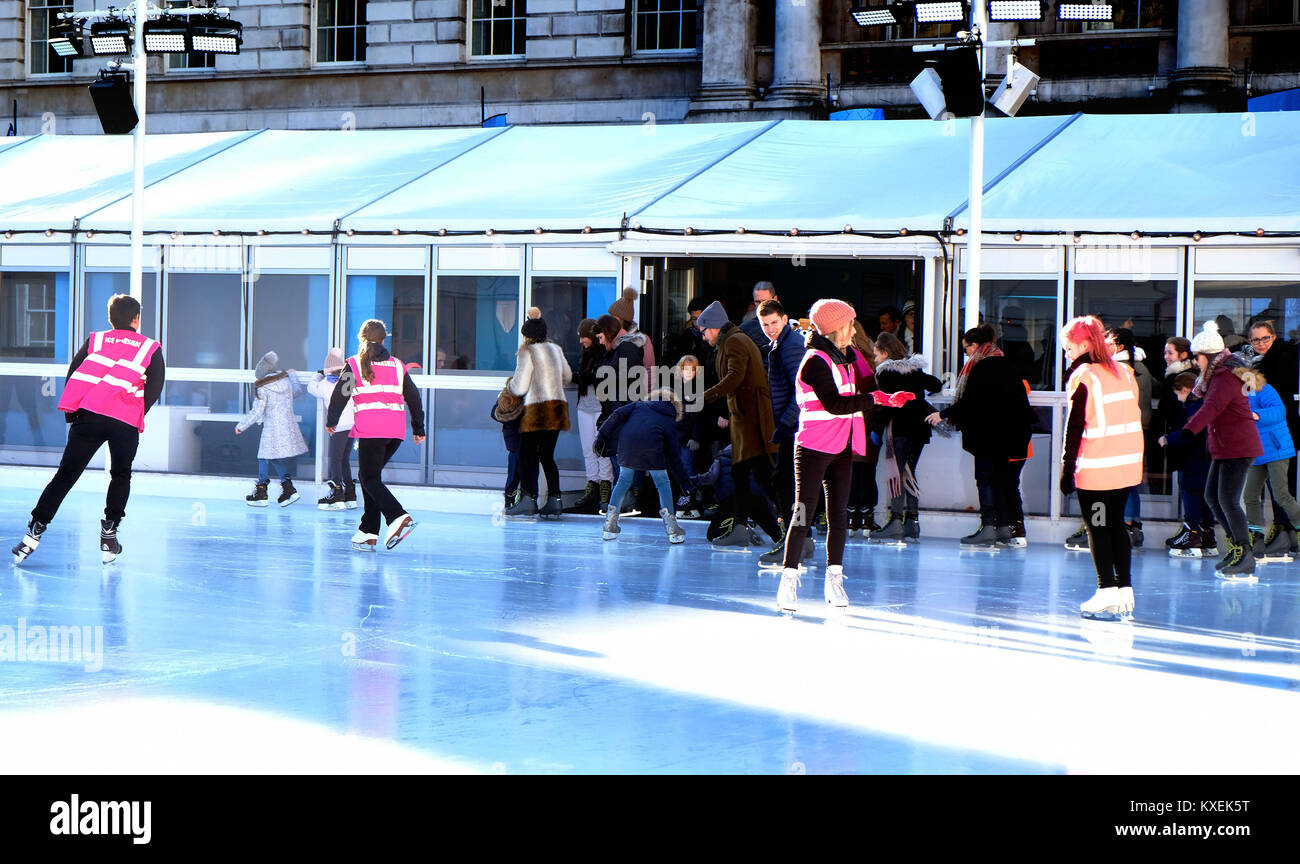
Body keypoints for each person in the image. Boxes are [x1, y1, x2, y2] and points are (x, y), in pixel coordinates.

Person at [11, 293, 165, 565]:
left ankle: (33, 532)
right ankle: (109, 531)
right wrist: (136, 412)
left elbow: (75, 373)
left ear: (110, 318)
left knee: (65, 476)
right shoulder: (150, 348)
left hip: (90, 416)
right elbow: (154, 387)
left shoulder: (97, 340)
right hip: (125, 422)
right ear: (136, 319)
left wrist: (75, 412)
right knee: (120, 475)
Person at [774, 299, 879, 613]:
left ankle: (834, 579)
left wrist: (878, 391)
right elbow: (834, 404)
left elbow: (863, 387)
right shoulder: (815, 360)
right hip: (813, 448)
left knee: (838, 515)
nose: (854, 330)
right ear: (836, 327)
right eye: (850, 324)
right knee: (803, 513)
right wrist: (872, 399)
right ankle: (789, 579)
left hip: (841, 446)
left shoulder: (844, 357)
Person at [1058, 315, 1145, 618]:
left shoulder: (1084, 375)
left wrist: (1067, 468)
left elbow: (1075, 425)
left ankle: (1105, 589)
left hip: (1097, 469)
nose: (1066, 353)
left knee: (1098, 529)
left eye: (1068, 347)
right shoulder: (1124, 371)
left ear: (1083, 344)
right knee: (1116, 526)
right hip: (1125, 466)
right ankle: (1124, 590)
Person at [927, 323, 1035, 548]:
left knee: (985, 480)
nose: (965, 353)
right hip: (1013, 435)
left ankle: (988, 527)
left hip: (989, 436)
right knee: (1003, 482)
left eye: (966, 348)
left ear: (975, 345)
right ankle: (1004, 529)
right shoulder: (1007, 364)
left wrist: (942, 414)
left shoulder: (981, 367)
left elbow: (970, 402)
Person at [326, 319, 424, 552]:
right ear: (383, 339)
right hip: (395, 433)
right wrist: (419, 429)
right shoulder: (398, 365)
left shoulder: (354, 364)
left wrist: (332, 421)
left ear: (362, 338)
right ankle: (368, 532)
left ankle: (398, 516)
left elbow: (341, 395)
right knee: (370, 478)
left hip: (372, 431)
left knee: (368, 479)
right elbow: (413, 397)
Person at [697, 300, 784, 548]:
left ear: (713, 327)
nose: (703, 337)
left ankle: (793, 531)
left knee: (762, 476)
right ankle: (741, 527)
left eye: (704, 332)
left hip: (752, 421)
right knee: (743, 475)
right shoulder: (733, 340)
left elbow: (734, 376)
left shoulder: (734, 341)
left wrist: (707, 396)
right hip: (747, 419)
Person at [1180, 321, 1263, 578]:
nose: (1195, 362)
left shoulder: (1224, 377)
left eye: (1197, 357)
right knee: (1212, 497)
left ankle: (1244, 553)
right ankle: (1236, 547)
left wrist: (1187, 431)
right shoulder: (1216, 376)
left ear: (1209, 356)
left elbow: (1212, 408)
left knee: (1226, 499)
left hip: (1237, 446)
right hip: (1227, 445)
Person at [756, 298, 816, 565]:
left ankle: (795, 540)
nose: (770, 328)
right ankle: (803, 539)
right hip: (793, 425)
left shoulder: (790, 346)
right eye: (765, 324)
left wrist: (786, 424)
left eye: (774, 323)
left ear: (784, 319)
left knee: (786, 485)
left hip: (795, 426)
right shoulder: (780, 344)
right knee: (788, 484)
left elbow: (800, 391)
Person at [868, 332, 942, 544]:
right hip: (920, 428)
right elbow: (935, 384)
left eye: (876, 354)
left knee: (897, 474)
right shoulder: (913, 369)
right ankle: (912, 522)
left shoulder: (886, 373)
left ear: (885, 352)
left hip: (900, 429)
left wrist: (876, 429)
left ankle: (896, 522)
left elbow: (886, 404)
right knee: (909, 472)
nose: (875, 359)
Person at [595, 388, 693, 544]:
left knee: (623, 480)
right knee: (662, 482)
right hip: (653, 448)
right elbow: (674, 456)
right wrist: (685, 483)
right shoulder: (670, 419)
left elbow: (616, 415)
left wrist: (601, 436)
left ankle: (609, 525)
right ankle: (672, 528)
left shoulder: (637, 405)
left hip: (628, 445)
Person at [503, 307, 573, 518]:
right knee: (547, 456)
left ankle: (528, 500)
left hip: (537, 410)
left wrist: (510, 388)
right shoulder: (555, 349)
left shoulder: (527, 352)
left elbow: (520, 386)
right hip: (558, 409)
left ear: (527, 335)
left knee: (527, 455)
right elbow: (567, 376)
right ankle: (555, 500)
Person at [1248, 320, 1300, 552]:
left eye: (1264, 338)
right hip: (1266, 435)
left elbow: (1279, 401)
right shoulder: (1257, 363)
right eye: (1255, 339)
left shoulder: (1281, 359)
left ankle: (1285, 530)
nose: (1260, 343)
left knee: (1281, 489)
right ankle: (1283, 531)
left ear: (1274, 337)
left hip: (1279, 434)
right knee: (1273, 488)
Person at [1238, 367, 1300, 561]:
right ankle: (1256, 536)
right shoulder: (1236, 394)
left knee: (1281, 494)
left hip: (1276, 449)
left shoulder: (1264, 389)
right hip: (1256, 451)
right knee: (1250, 495)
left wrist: (1257, 415)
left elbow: (1279, 411)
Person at [1158, 372, 1219, 558]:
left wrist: (1169, 438)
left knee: (1191, 493)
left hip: (1194, 459)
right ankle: (1207, 536)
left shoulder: (1194, 407)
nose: (1178, 399)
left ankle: (1193, 534)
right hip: (1206, 458)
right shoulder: (1204, 404)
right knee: (1204, 496)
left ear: (1185, 390)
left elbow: (1191, 431)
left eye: (1178, 394)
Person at [237, 351, 308, 507]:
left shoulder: (263, 388)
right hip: (287, 426)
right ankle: (288, 488)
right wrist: (293, 376)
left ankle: (261, 491)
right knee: (273, 457)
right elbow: (297, 391)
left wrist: (241, 426)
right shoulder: (286, 382)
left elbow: (257, 412)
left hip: (272, 428)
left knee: (263, 457)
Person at [1109, 328, 1155, 548]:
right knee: (1132, 480)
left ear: (1118, 346)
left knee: (1120, 480)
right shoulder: (1142, 369)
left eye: (1109, 342)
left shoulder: (1120, 370)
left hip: (1122, 430)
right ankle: (1134, 524)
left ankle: (1125, 524)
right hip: (1139, 429)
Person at [308, 347, 358, 511]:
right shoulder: (349, 381)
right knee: (344, 459)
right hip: (352, 425)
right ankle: (350, 494)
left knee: (335, 459)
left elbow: (311, 387)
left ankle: (337, 493)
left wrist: (319, 373)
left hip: (337, 426)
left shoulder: (324, 385)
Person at [572, 318, 612, 514]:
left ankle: (606, 486)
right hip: (584, 406)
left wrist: (581, 377)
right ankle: (592, 485)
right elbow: (584, 378)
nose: (581, 341)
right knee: (588, 449)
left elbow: (601, 377)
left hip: (599, 406)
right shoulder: (585, 354)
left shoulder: (603, 352)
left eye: (583, 337)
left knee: (601, 449)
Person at [848, 322, 881, 535]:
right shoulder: (869, 361)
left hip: (847, 422)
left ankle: (851, 517)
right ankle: (867, 518)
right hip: (867, 423)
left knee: (850, 474)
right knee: (867, 473)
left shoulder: (841, 357)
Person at [489, 381, 524, 511]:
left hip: (522, 437)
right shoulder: (507, 394)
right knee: (515, 470)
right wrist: (509, 417)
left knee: (522, 469)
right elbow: (494, 412)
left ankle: (522, 496)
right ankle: (511, 497)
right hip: (515, 438)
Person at [608, 287, 655, 370]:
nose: (610, 320)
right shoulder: (609, 336)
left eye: (614, 318)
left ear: (622, 321)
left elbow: (650, 369)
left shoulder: (643, 339)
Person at [740, 281, 778, 355]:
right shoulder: (746, 328)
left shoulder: (785, 324)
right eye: (757, 302)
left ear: (775, 299)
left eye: (765, 301)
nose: (761, 305)